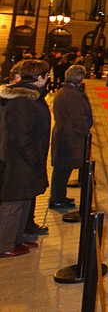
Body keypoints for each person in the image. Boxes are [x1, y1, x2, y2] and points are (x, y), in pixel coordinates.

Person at [0, 59, 52, 257]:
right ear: (39, 78)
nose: (48, 79)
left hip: (29, 158)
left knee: (25, 198)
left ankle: (17, 238)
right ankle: (4, 244)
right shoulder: (22, 101)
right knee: (14, 201)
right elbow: (21, 136)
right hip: (21, 159)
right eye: (47, 76)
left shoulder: (31, 97)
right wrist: (34, 157)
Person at [49, 65, 93, 208]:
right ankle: (57, 198)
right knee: (62, 169)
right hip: (69, 137)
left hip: (65, 133)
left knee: (62, 168)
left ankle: (59, 196)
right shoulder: (73, 95)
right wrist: (84, 132)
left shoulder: (66, 91)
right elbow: (78, 119)